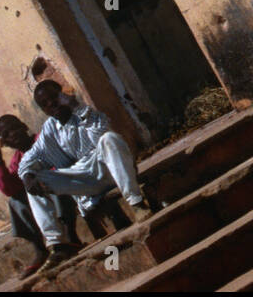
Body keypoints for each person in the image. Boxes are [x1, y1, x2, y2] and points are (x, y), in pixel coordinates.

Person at [17, 80, 153, 255]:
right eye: (45, 104)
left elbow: (100, 132)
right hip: (84, 183)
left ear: (62, 94)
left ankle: (137, 204)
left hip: (107, 170)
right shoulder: (50, 129)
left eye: (54, 97)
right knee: (32, 182)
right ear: (43, 110)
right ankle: (57, 244)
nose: (51, 104)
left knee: (110, 139)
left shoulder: (85, 112)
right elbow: (28, 159)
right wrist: (28, 175)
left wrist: (75, 106)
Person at [0, 114, 80, 273]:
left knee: (44, 179)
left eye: (15, 128)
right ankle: (40, 248)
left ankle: (70, 235)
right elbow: (9, 189)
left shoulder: (42, 141)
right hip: (46, 200)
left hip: (68, 187)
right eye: (7, 134)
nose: (13, 134)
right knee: (15, 201)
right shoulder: (18, 160)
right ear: (5, 143)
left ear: (24, 126)